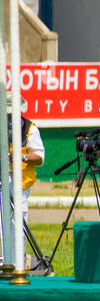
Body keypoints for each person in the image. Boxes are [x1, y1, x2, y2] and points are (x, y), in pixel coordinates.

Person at [8, 100, 44, 237]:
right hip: (3, 181)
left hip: (20, 183)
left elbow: (40, 157)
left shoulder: (30, 129)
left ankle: (18, 257)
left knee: (19, 225)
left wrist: (22, 157)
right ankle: (5, 257)